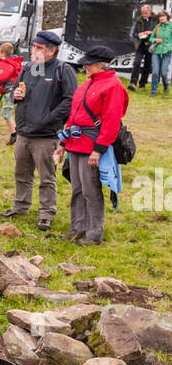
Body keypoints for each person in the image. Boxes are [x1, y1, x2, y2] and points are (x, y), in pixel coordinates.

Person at [0, 30, 77, 233]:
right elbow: (16, 91)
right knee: (21, 173)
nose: (34, 50)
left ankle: (46, 213)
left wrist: (49, 118)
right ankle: (20, 206)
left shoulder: (63, 70)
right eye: (34, 46)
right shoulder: (28, 67)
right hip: (24, 132)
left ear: (52, 50)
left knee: (46, 176)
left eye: (39, 48)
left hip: (47, 135)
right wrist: (16, 95)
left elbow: (71, 100)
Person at [53, 44, 128, 246]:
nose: (84, 68)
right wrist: (63, 143)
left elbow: (112, 121)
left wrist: (98, 150)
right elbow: (74, 117)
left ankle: (94, 234)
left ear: (99, 64)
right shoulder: (85, 85)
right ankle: (77, 228)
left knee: (91, 190)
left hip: (92, 145)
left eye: (88, 65)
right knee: (77, 188)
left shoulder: (113, 86)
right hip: (75, 143)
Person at [0, 41, 23, 140]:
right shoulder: (15, 61)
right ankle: (16, 132)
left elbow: (3, 77)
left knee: (6, 113)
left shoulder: (5, 63)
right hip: (15, 89)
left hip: (9, 90)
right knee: (10, 112)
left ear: (3, 54)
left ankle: (15, 133)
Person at [129, 4, 155, 91]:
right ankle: (133, 83)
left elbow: (159, 32)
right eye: (142, 13)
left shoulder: (156, 19)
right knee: (136, 63)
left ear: (150, 12)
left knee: (147, 66)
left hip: (151, 45)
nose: (144, 14)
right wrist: (141, 34)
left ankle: (142, 85)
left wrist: (151, 32)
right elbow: (134, 33)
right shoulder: (139, 20)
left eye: (145, 13)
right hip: (140, 45)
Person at [149, 9, 172, 96]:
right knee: (155, 72)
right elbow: (151, 38)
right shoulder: (157, 26)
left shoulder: (171, 26)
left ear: (167, 17)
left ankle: (166, 85)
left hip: (167, 52)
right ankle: (153, 91)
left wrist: (169, 47)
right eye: (160, 17)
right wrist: (156, 40)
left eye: (163, 16)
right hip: (156, 52)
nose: (161, 18)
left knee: (164, 73)